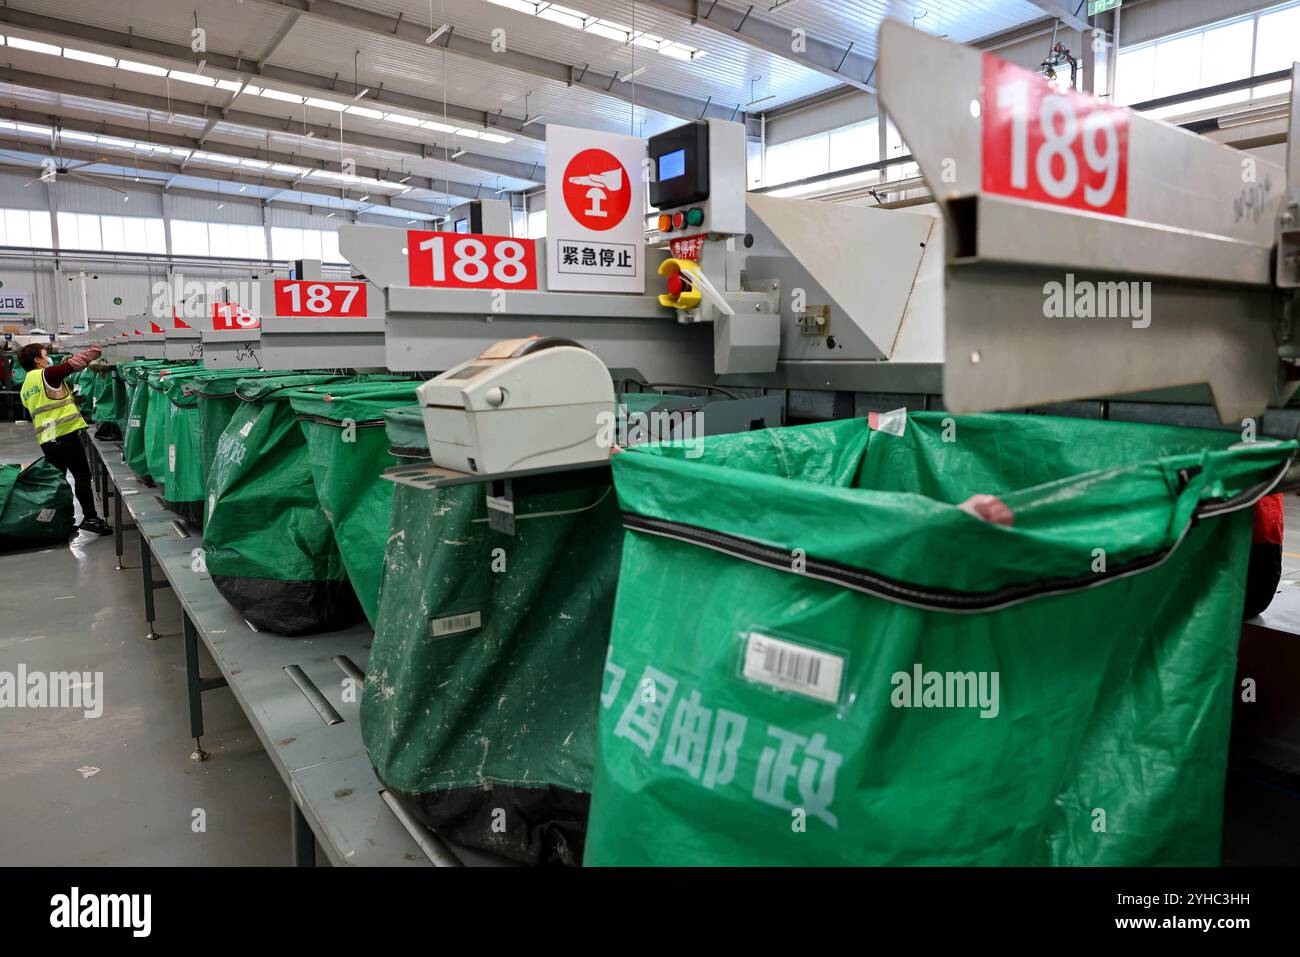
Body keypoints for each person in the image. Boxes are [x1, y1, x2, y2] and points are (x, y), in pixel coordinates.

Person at [16, 342, 111, 534]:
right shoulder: (47, 374)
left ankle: (58, 519)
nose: (47, 358)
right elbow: (76, 363)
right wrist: (97, 349)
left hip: (47, 440)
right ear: (37, 360)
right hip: (65, 435)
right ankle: (91, 519)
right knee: (82, 476)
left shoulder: (25, 386)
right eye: (45, 355)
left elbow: (46, 403)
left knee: (58, 480)